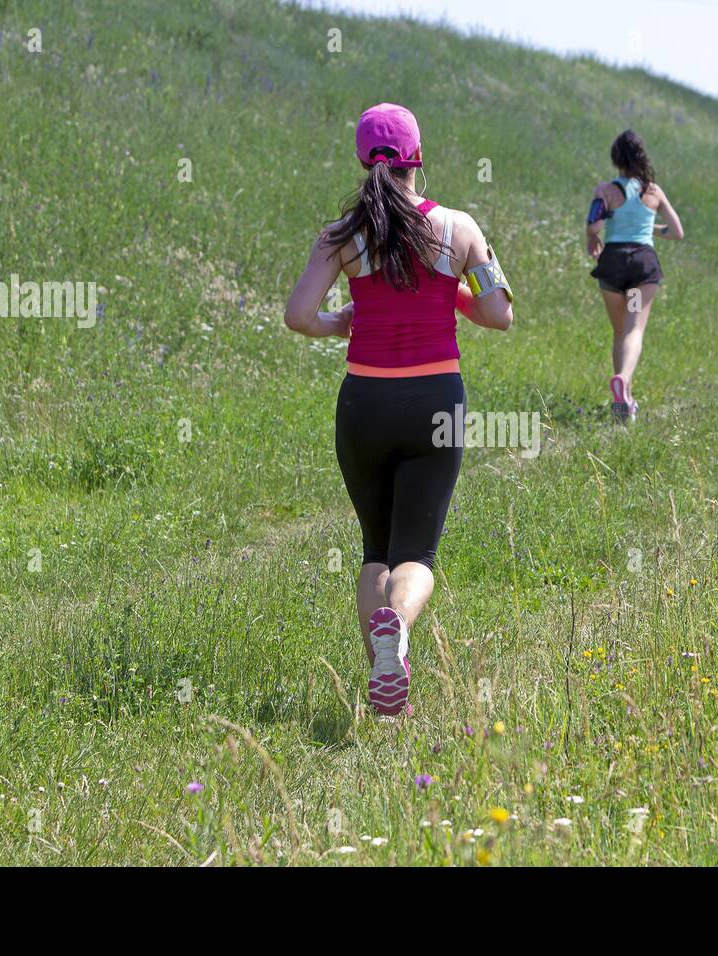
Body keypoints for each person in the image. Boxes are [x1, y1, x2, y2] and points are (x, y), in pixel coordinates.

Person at [284, 103, 514, 717]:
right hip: (435, 403)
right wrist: (454, 294)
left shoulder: (341, 236)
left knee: (375, 551)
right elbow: (500, 314)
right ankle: (400, 632)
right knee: (417, 555)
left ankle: (388, 683)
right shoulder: (460, 228)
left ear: (364, 161)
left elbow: (298, 316)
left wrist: (342, 323)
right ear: (419, 159)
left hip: (364, 404)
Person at [585, 130, 683, 423]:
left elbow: (593, 225)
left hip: (613, 263)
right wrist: (653, 228)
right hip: (641, 265)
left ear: (616, 159)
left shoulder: (606, 190)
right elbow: (677, 232)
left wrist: (593, 240)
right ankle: (623, 382)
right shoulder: (653, 191)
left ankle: (622, 406)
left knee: (620, 333)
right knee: (634, 330)